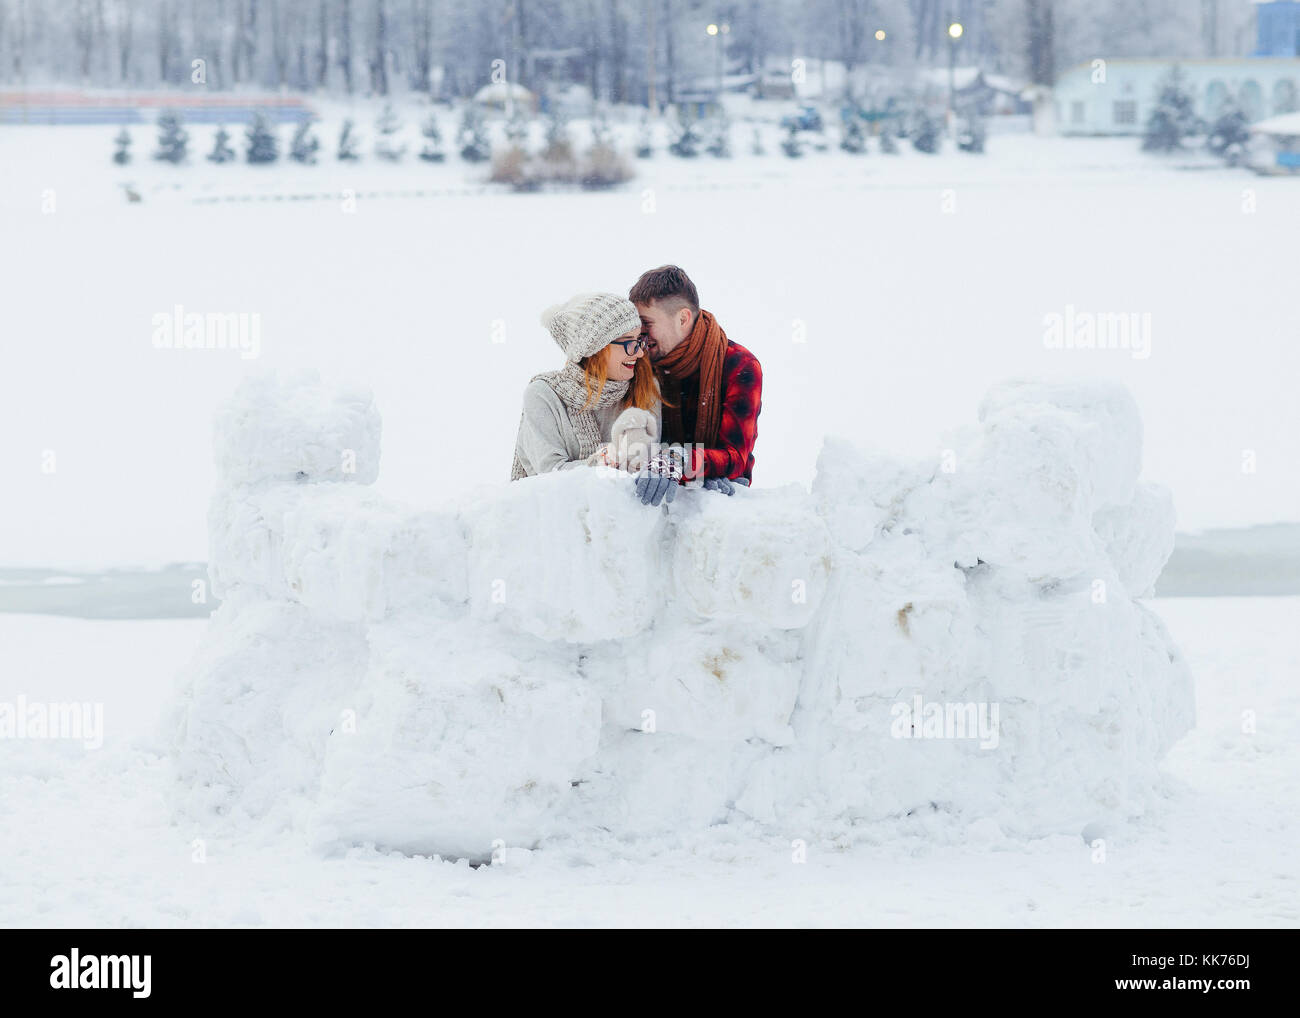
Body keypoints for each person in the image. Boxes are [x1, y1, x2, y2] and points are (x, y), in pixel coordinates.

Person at [510, 292, 682, 497]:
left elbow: (646, 464)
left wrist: (674, 459)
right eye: (629, 343)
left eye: (639, 341)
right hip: (556, 522)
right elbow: (549, 476)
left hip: (622, 521)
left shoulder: (645, 387)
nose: (639, 353)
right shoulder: (544, 395)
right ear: (595, 348)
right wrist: (609, 460)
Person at [629, 265, 762, 502]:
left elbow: (735, 457)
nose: (640, 334)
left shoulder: (739, 365)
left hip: (715, 509)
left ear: (682, 318)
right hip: (654, 504)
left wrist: (680, 461)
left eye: (646, 323)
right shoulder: (640, 362)